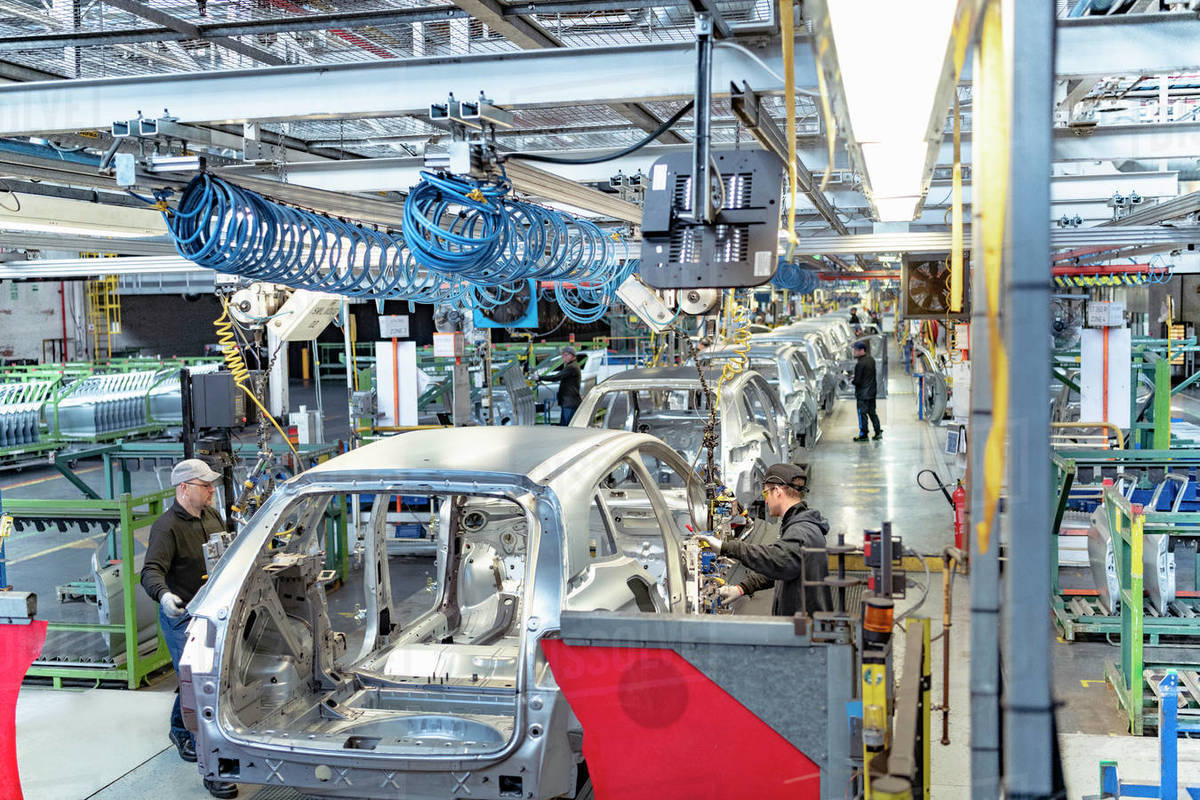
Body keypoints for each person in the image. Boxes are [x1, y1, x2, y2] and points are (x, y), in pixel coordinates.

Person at [141, 458, 237, 799]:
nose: (212, 490)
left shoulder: (211, 516)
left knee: (198, 682)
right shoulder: (166, 528)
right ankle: (214, 769)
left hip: (211, 613)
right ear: (184, 488)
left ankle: (179, 728)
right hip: (182, 616)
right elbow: (150, 571)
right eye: (205, 485)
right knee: (200, 686)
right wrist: (164, 595)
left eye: (212, 485)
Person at [699, 464, 832, 616]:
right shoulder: (799, 525)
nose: (766, 500)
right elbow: (783, 567)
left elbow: (776, 559)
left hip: (805, 626)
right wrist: (741, 588)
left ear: (777, 491)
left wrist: (725, 547)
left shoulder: (801, 531)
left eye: (766, 492)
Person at [852, 340, 882, 441]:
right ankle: (878, 432)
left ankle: (864, 435)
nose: (854, 352)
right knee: (872, 413)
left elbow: (857, 380)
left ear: (862, 350)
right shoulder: (871, 360)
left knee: (862, 414)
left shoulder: (860, 364)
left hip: (862, 394)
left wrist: (851, 380)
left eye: (856, 350)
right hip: (872, 392)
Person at [556, 346, 582, 425]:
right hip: (569, 402)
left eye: (565, 355)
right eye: (562, 355)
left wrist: (539, 377)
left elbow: (556, 377)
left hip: (569, 403)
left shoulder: (572, 367)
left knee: (567, 427)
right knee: (565, 426)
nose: (563, 357)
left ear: (571, 355)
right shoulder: (572, 365)